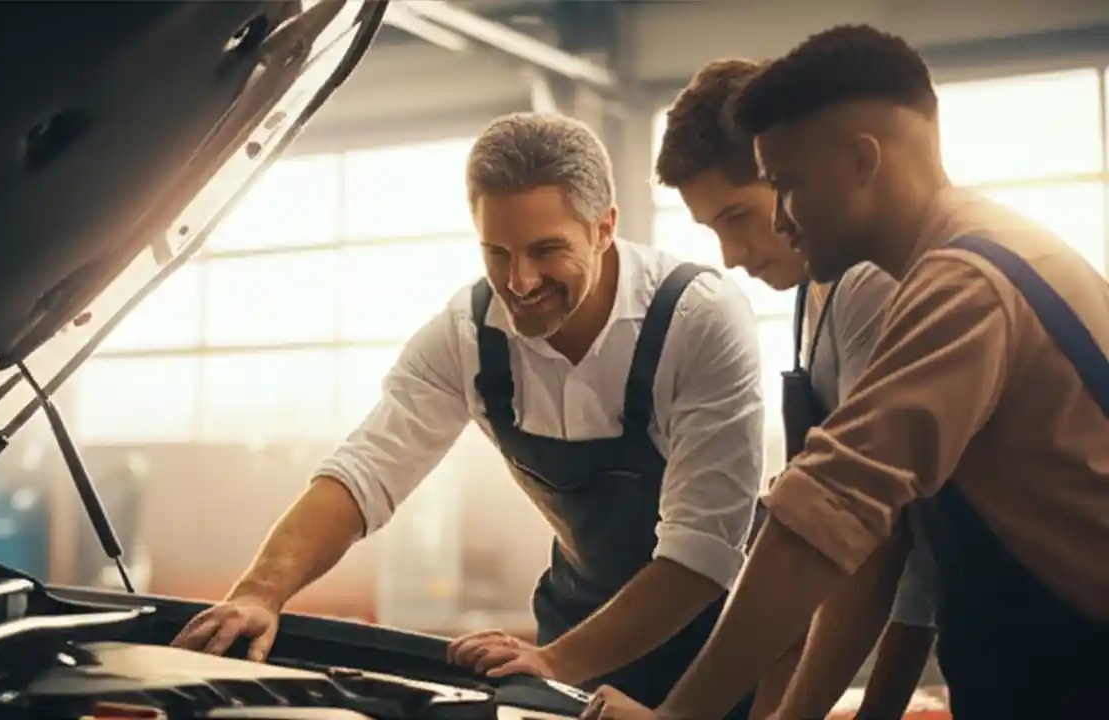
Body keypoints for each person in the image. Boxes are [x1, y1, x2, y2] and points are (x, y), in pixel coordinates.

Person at [583, 24, 1109, 720]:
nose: (783, 220)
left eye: (788, 186)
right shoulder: (971, 254)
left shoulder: (967, 283)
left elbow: (829, 515)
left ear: (864, 160)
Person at [172, 111, 765, 717]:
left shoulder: (698, 322)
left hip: (719, 652)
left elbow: (704, 552)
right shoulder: (467, 334)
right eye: (496, 251)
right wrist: (259, 593)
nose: (520, 281)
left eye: (546, 250)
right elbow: (366, 471)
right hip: (572, 636)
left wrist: (555, 662)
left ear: (604, 228)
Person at [652, 57, 937, 719]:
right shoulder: (817, 291)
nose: (730, 253)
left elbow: (881, 544)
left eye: (738, 216)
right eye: (712, 228)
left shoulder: (870, 285)